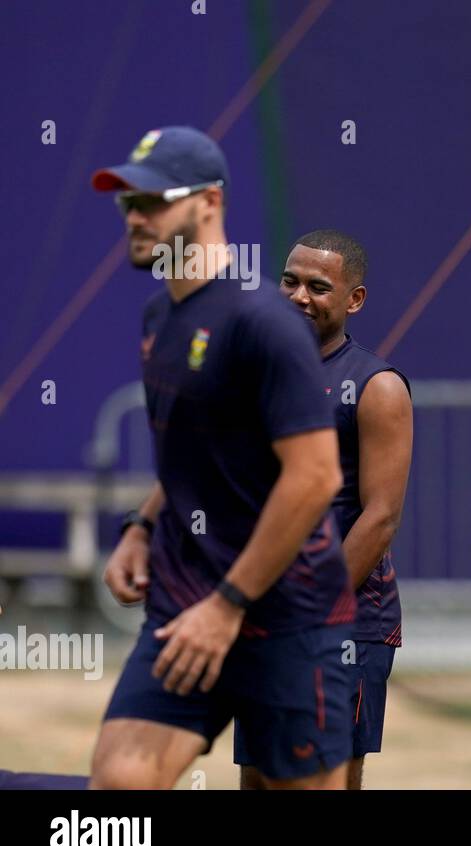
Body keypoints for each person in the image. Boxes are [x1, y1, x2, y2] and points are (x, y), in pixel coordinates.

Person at [90, 126, 354, 789]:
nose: (136, 216)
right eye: (127, 202)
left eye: (152, 200)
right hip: (184, 606)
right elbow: (190, 452)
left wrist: (229, 604)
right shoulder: (159, 316)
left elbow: (316, 475)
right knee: (118, 789)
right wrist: (141, 527)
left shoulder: (264, 321)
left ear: (209, 202)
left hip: (288, 619)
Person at [237, 229, 413, 790]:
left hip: (343, 622)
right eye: (289, 281)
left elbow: (380, 516)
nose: (298, 296)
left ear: (353, 300)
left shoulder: (376, 386)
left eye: (318, 286)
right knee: (260, 777)